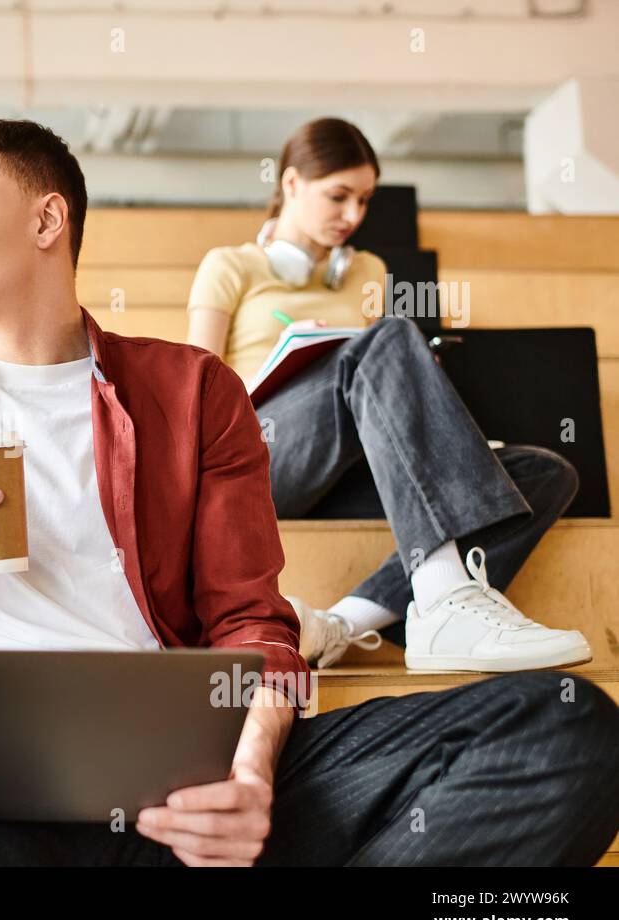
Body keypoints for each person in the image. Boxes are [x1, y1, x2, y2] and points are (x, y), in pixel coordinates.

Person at [0, 119, 619, 867]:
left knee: (566, 727)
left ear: (47, 221)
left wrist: (249, 772)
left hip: (187, 768)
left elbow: (253, 623)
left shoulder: (193, 389)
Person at [187, 117, 590, 673]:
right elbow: (193, 403)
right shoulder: (229, 267)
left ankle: (341, 625)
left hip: (347, 467)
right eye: (339, 196)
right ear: (291, 184)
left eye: (365, 200)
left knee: (545, 473)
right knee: (390, 337)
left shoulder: (369, 270)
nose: (353, 216)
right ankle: (447, 598)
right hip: (262, 460)